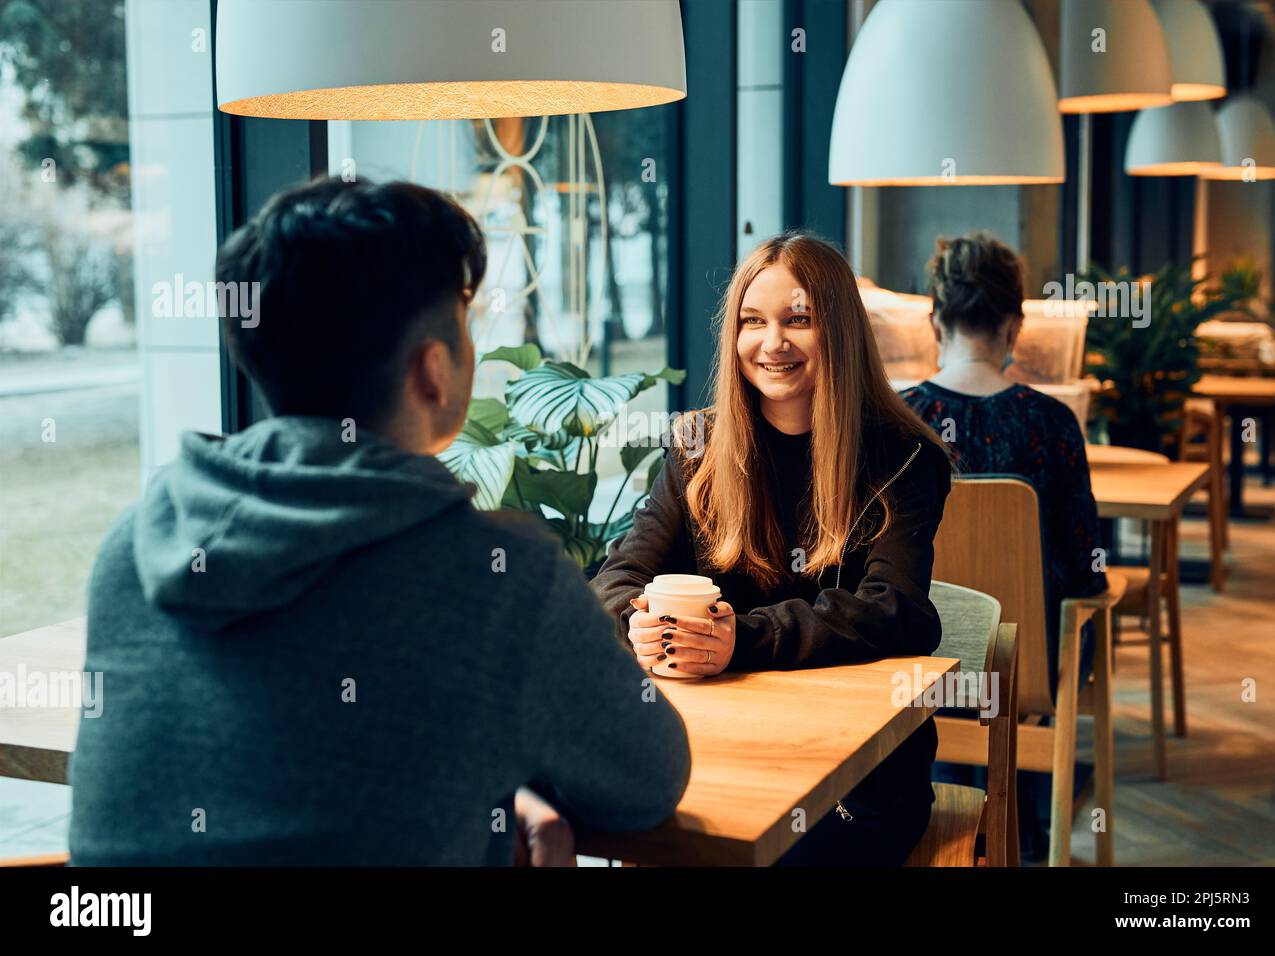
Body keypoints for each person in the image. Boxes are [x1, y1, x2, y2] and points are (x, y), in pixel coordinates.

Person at [69, 177, 690, 865]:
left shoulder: (135, 542)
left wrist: (467, 781)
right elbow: (649, 781)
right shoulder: (498, 576)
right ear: (432, 371)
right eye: (464, 319)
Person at [592, 231, 952, 866]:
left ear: (838, 331)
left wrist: (742, 640)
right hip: (720, 750)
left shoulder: (904, 457)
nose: (772, 342)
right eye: (752, 321)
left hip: (859, 768)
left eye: (799, 320)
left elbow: (899, 611)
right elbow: (618, 576)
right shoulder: (697, 447)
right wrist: (639, 624)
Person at [899, 230, 1108, 861]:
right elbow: (1085, 563)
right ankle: (1030, 820)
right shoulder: (1051, 423)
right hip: (1030, 677)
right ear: (1015, 324)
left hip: (919, 671)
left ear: (935, 319)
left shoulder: (899, 419)